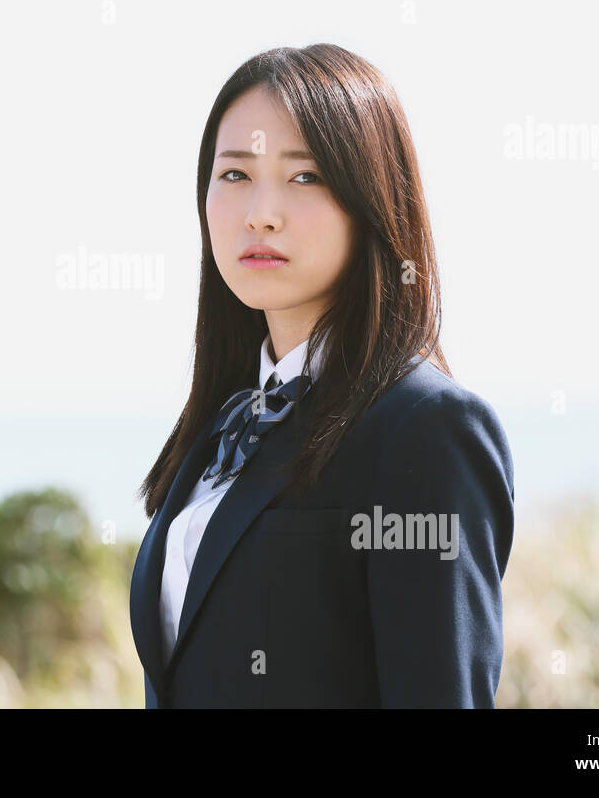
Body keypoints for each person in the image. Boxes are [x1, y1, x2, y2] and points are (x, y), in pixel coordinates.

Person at [130, 43, 515, 708]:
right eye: (235, 175)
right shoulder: (227, 420)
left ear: (372, 200)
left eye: (304, 177)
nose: (261, 212)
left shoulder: (425, 430)